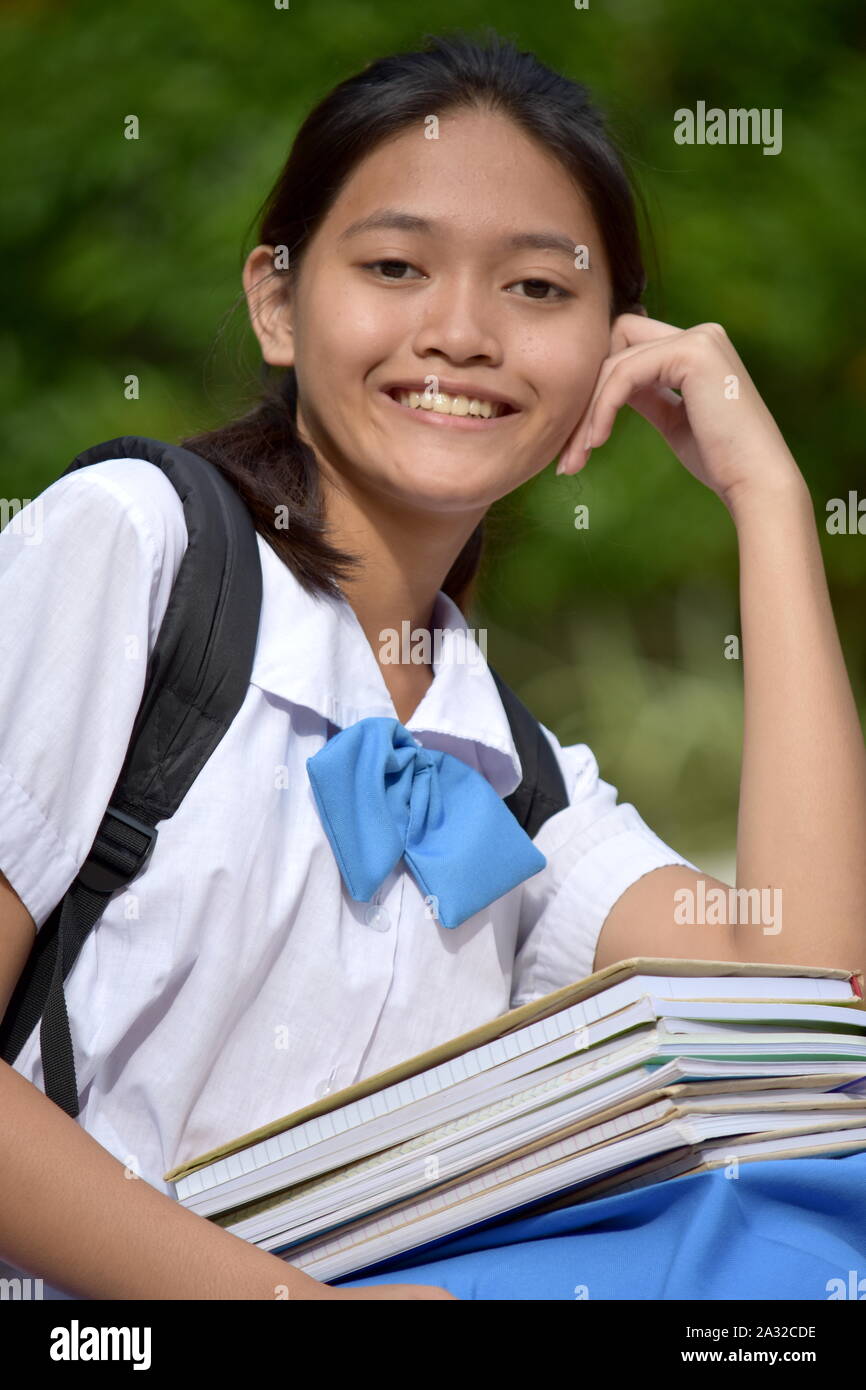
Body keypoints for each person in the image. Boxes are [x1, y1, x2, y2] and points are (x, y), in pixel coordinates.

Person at [1, 30, 864, 1303]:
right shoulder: (138, 543)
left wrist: (771, 501)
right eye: (396, 265)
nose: (460, 332)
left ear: (607, 356)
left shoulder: (511, 772)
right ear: (278, 300)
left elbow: (800, 1026)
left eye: (535, 288)